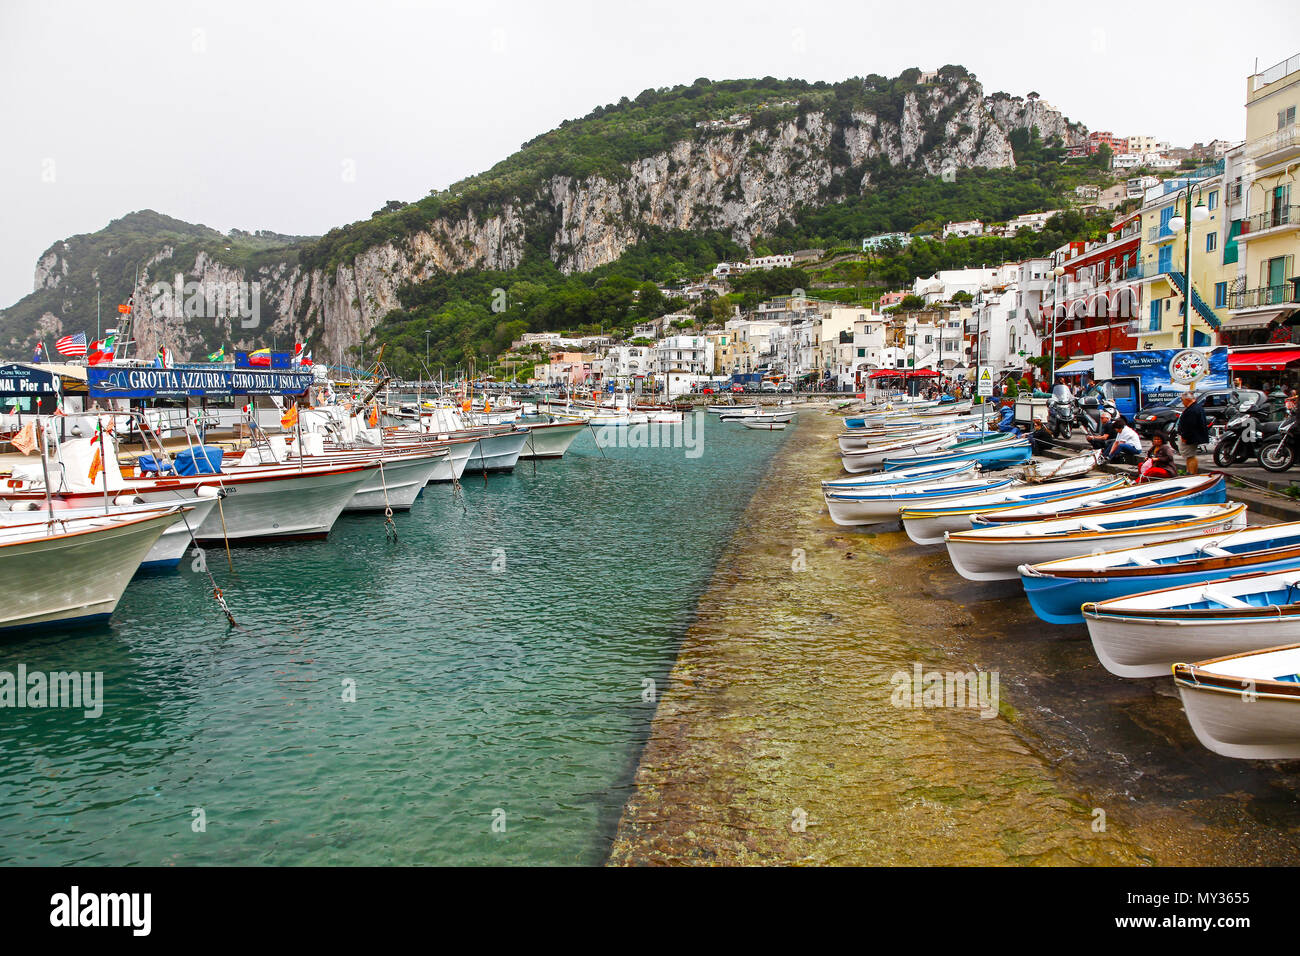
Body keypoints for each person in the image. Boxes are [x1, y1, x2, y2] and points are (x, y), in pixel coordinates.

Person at [1176, 390, 1210, 476]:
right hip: (1191, 436)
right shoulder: (1195, 408)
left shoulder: (1193, 409)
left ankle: (1191, 473)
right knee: (1189, 456)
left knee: (1190, 456)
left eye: (1182, 400)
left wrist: (1185, 436)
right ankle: (1190, 472)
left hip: (1190, 437)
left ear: (1187, 400)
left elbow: (1190, 425)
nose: (1182, 403)